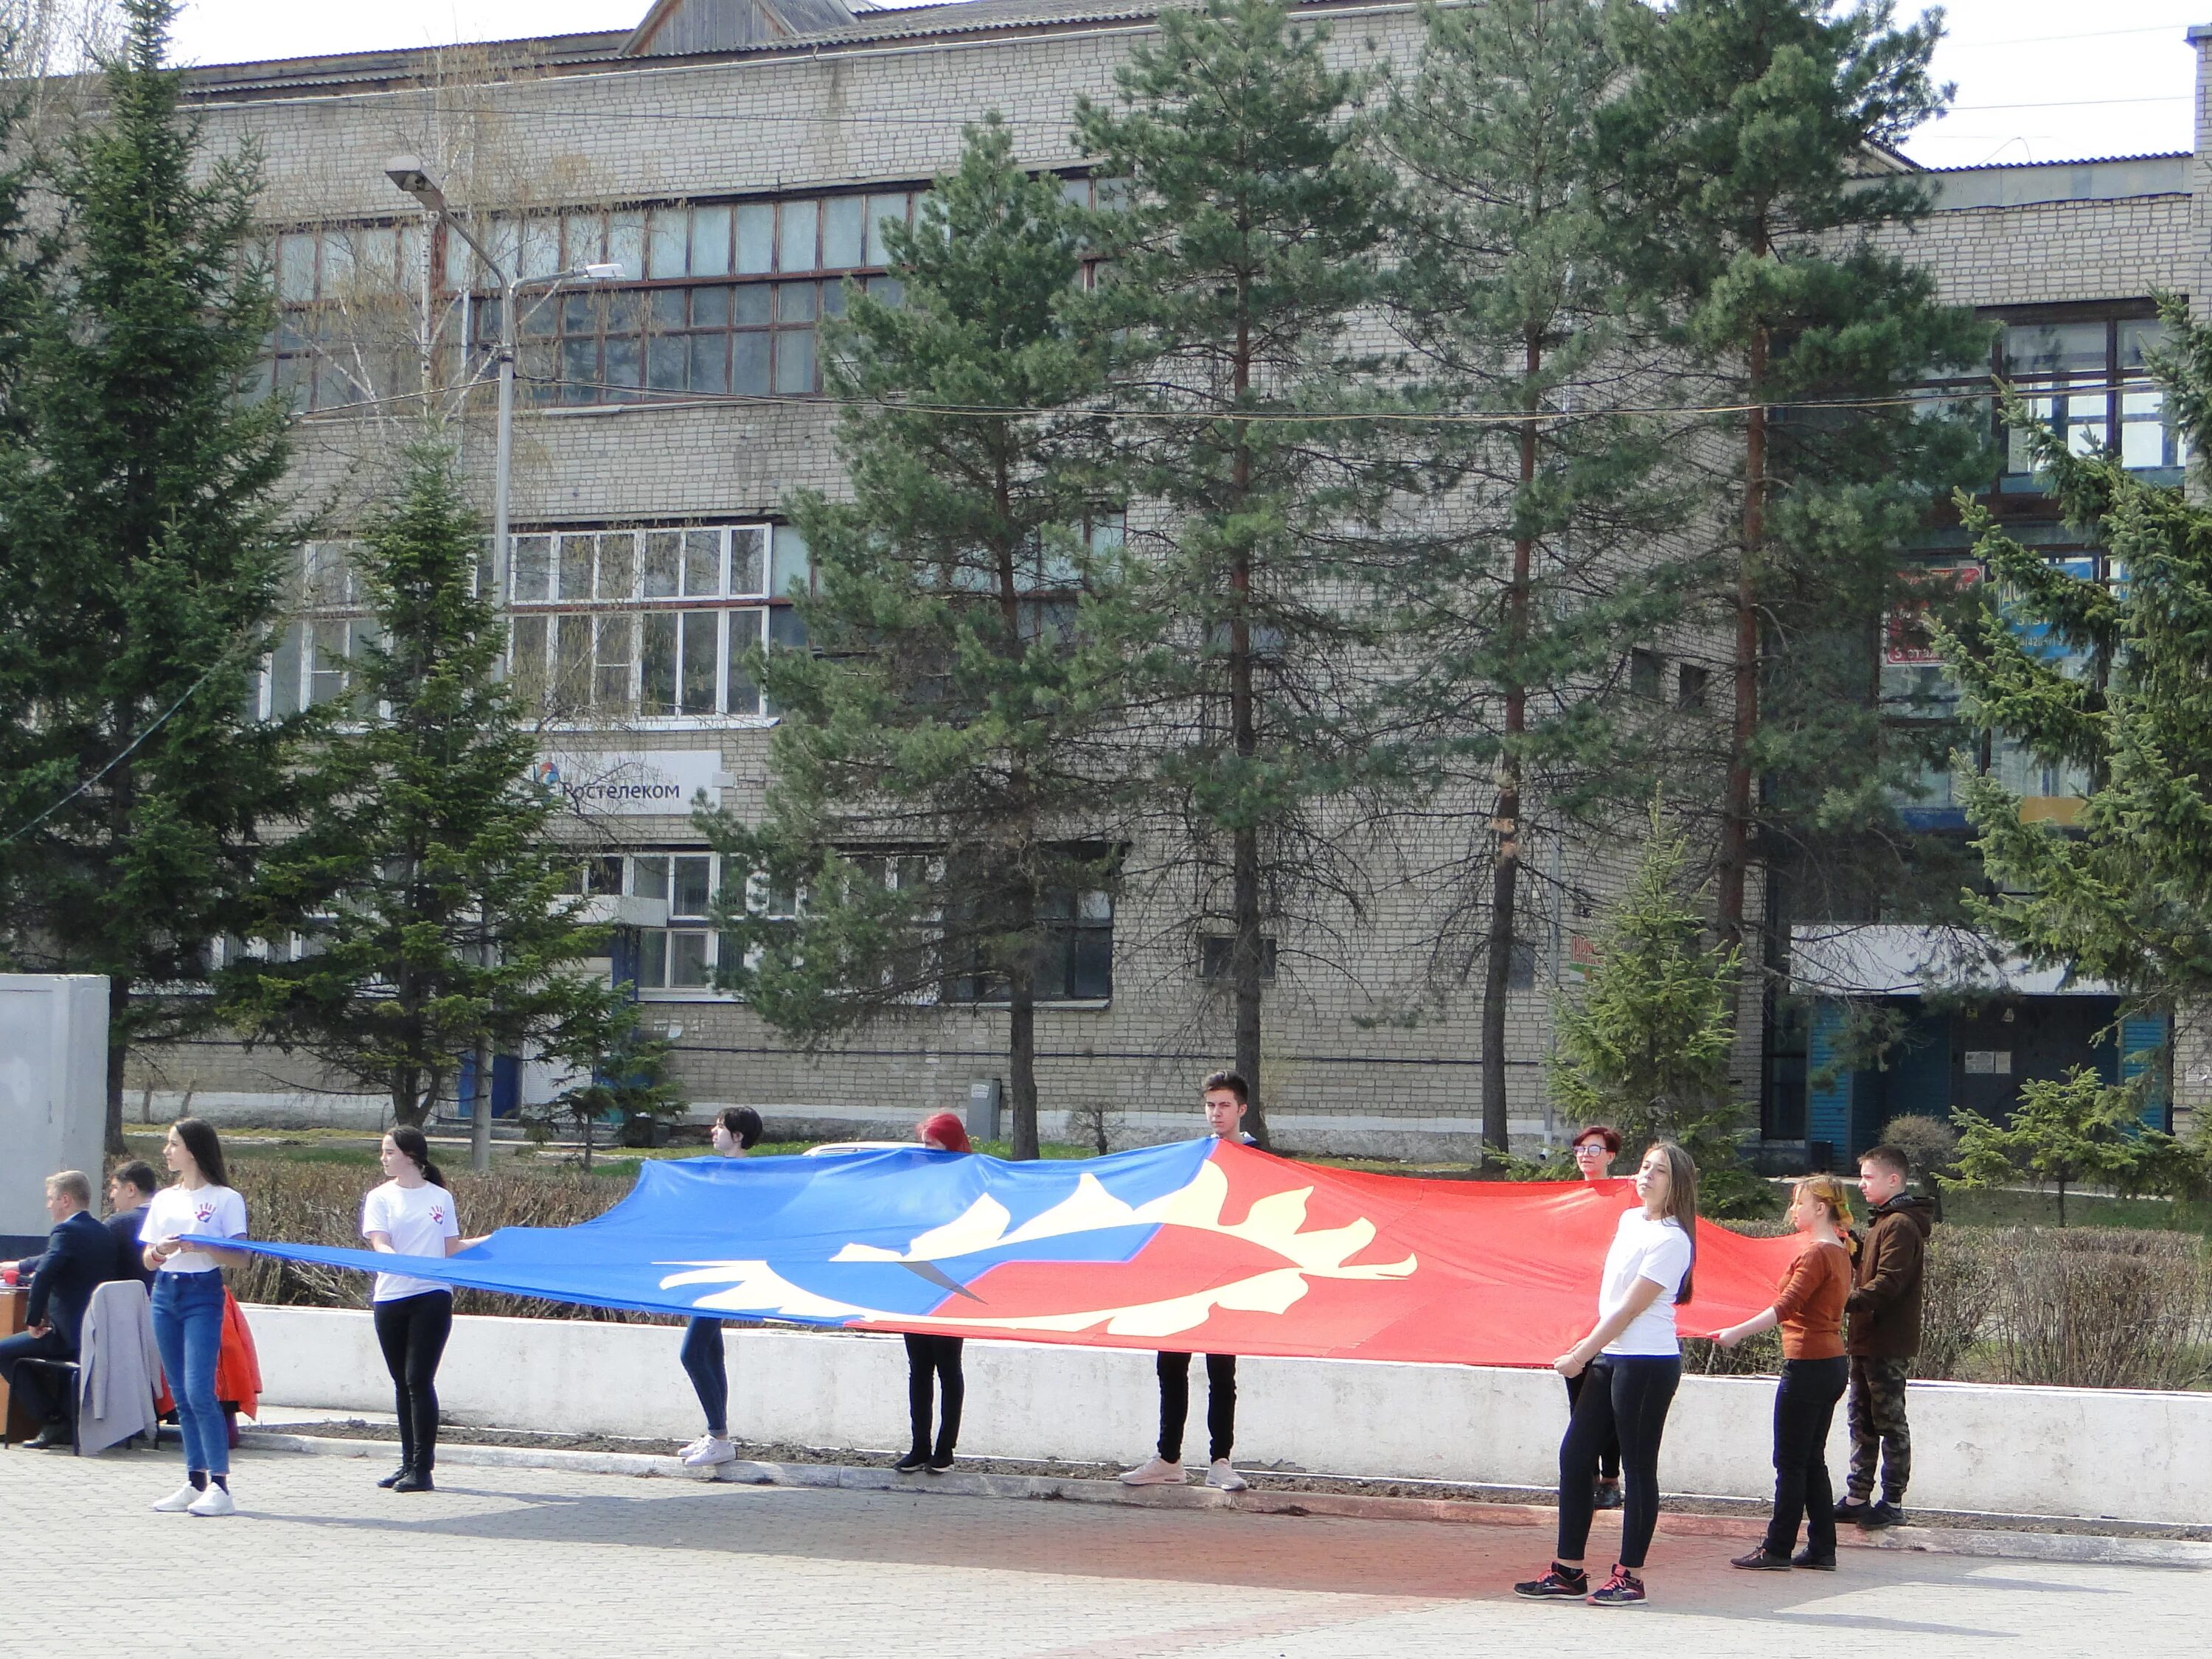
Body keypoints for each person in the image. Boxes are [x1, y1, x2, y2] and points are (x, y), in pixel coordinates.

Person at [1514, 1140, 1700, 1608]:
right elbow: (1611, 1301)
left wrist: (1581, 1352)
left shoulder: (1673, 1239)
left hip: (1646, 1363)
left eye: (1658, 1172)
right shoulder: (1629, 1220)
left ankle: (1630, 1576)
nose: (1646, 1176)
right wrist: (1589, 1350)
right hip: (1609, 1355)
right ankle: (1568, 1571)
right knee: (1576, 1456)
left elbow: (1631, 1308)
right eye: (1644, 1167)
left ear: (1676, 1184)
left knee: (1638, 1470)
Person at [1121, 1070, 1258, 1494]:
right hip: (1183, 1280)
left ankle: (1221, 1461)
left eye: (1225, 1105)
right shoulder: (1192, 1156)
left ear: (1241, 1109)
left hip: (1228, 1283)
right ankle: (1168, 1458)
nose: (1217, 1113)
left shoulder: (1258, 1159)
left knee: (1222, 1372)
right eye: (1211, 1105)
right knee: (1171, 1367)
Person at [1714, 1175, 1855, 1570]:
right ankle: (1822, 1548)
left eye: (1799, 1202)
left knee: (1790, 1461)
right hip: (1830, 1364)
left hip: (1808, 1365)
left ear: (1821, 1208)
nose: (1792, 1210)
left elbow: (1786, 1306)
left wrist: (1736, 1332)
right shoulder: (1840, 1250)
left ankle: (1777, 1547)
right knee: (1811, 1459)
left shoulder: (1816, 1254)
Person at [361, 1126, 484, 1493]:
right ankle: (407, 1463)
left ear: (411, 1155)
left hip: (432, 1295)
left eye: (389, 1152)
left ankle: (423, 1469)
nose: (383, 1159)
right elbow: (379, 1244)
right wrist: (400, 1262)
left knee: (419, 1379)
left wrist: (497, 1240)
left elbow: (451, 1248)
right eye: (383, 1152)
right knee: (402, 1383)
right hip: (391, 1296)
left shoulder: (440, 1198)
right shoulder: (379, 1197)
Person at [142, 1118, 248, 1517]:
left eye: (173, 1144)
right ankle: (194, 1479)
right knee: (180, 1393)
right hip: (165, 1292)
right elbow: (147, 1258)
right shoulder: (165, 1198)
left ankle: (220, 1485)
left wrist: (202, 1244)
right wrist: (162, 1251)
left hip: (202, 1292)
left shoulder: (225, 1198)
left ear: (193, 1150)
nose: (167, 1152)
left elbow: (240, 1256)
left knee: (200, 1389)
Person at [1835, 1142, 1933, 1529]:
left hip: (1886, 1341)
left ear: (1894, 1179)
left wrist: (1840, 1301)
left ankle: (1892, 1500)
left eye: (1868, 1177)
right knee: (1861, 1420)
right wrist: (1853, 1246)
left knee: (1889, 1421)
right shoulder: (1883, 1221)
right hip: (1867, 1339)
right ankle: (1859, 1495)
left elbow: (1888, 1284)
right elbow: (1870, 1267)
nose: (1861, 1184)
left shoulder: (1901, 1225)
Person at [0, 1172, 114, 1447]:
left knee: (2, 1353)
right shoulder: (101, 1232)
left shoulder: (65, 1231)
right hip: (95, 1331)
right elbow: (51, 1258)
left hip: (66, 1333)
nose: (47, 1205)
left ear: (65, 1199)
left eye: (50, 1199)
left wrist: (34, 1318)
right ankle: (60, 1419)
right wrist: (19, 1265)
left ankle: (53, 1420)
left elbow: (46, 1273)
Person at [678, 1106, 763, 1470]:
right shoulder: (721, 1171)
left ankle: (720, 1437)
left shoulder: (746, 1175)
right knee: (712, 1354)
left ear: (738, 1136)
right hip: (708, 1270)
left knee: (692, 1353)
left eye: (721, 1127)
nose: (713, 1131)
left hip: (727, 1275)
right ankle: (717, 1434)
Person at [897, 1110, 973, 1474]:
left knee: (948, 1369)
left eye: (932, 1143)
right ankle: (919, 1447)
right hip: (916, 1283)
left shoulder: (970, 1181)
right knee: (919, 1370)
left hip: (951, 1288)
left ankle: (945, 1449)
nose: (925, 1149)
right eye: (923, 1143)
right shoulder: (917, 1182)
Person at [1565, 1124, 1626, 1512]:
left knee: (1610, 1401)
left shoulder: (1625, 1196)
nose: (1586, 1155)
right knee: (1578, 1396)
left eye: (1594, 1149)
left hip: (1610, 1312)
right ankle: (1583, 1473)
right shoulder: (1563, 1199)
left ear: (1610, 1156)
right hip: (1571, 1313)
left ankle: (1610, 1479)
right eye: (1580, 1149)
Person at [106, 1161, 160, 1288]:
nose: (111, 1195)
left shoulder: (117, 1224)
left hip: (124, 1302)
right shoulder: (172, 1220)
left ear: (131, 1189)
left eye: (115, 1188)